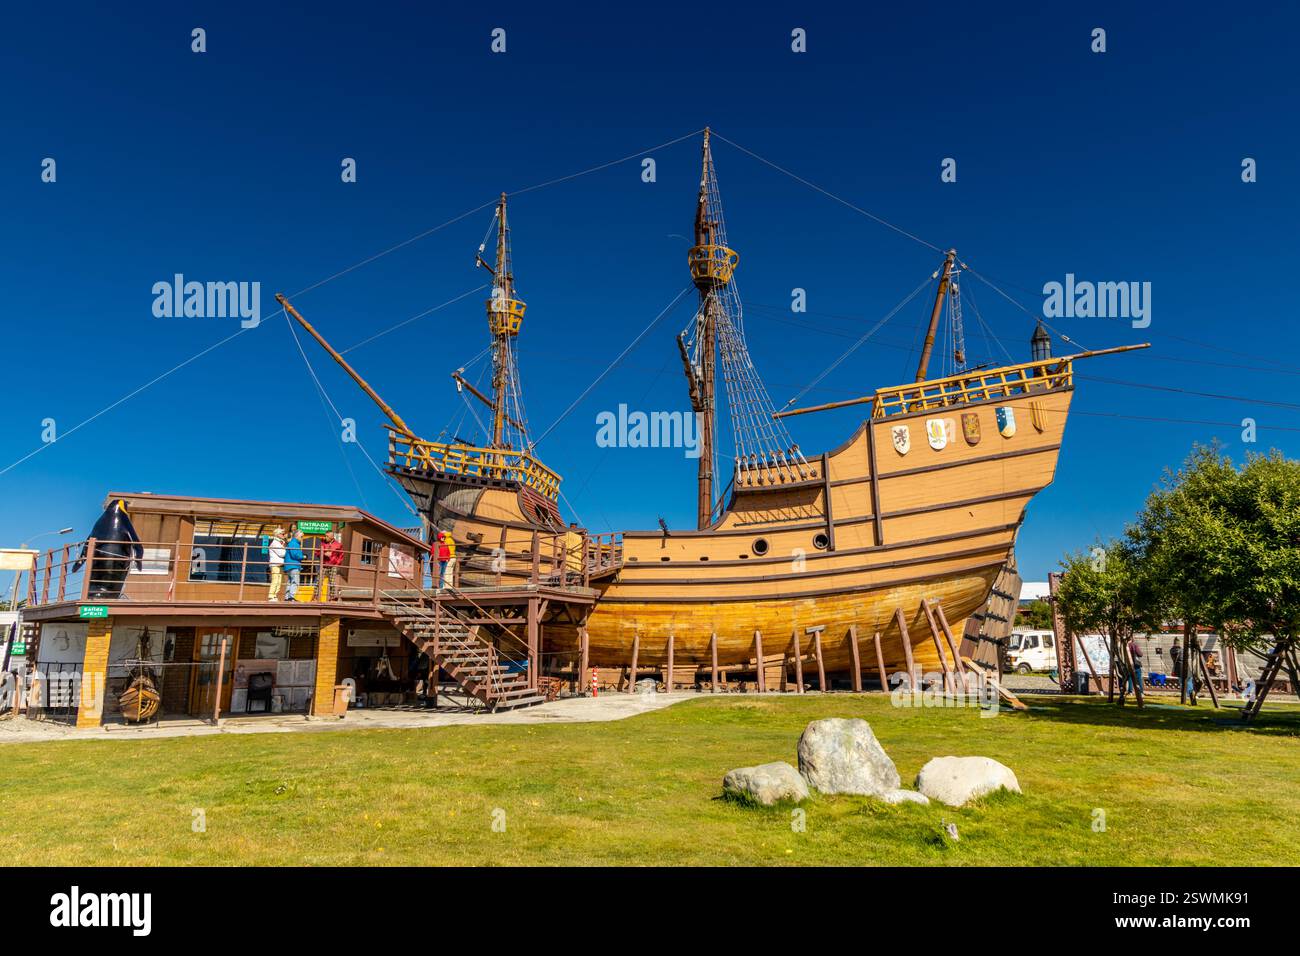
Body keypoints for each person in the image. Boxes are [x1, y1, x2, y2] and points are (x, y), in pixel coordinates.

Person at [319, 530, 344, 601]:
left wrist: (337, 563)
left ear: (332, 537)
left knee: (332, 582)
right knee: (319, 581)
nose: (325, 537)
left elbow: (341, 555)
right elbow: (317, 552)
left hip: (333, 565)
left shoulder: (338, 545)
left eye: (327, 536)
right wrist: (324, 554)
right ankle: (316, 597)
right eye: (325, 535)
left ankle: (332, 598)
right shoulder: (323, 543)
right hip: (323, 565)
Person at [283, 529, 305, 601]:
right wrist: (303, 556)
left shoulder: (292, 543)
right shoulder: (294, 543)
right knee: (295, 581)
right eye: (301, 536)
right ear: (297, 536)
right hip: (294, 565)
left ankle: (287, 597)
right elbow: (295, 555)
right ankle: (291, 597)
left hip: (289, 565)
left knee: (290, 581)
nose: (302, 538)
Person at [267, 528, 286, 601]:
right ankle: (271, 595)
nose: (283, 535)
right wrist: (287, 550)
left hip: (279, 564)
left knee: (279, 581)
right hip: (275, 564)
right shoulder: (275, 543)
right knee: (275, 580)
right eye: (282, 534)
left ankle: (275, 595)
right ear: (277, 534)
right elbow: (282, 553)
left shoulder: (281, 543)